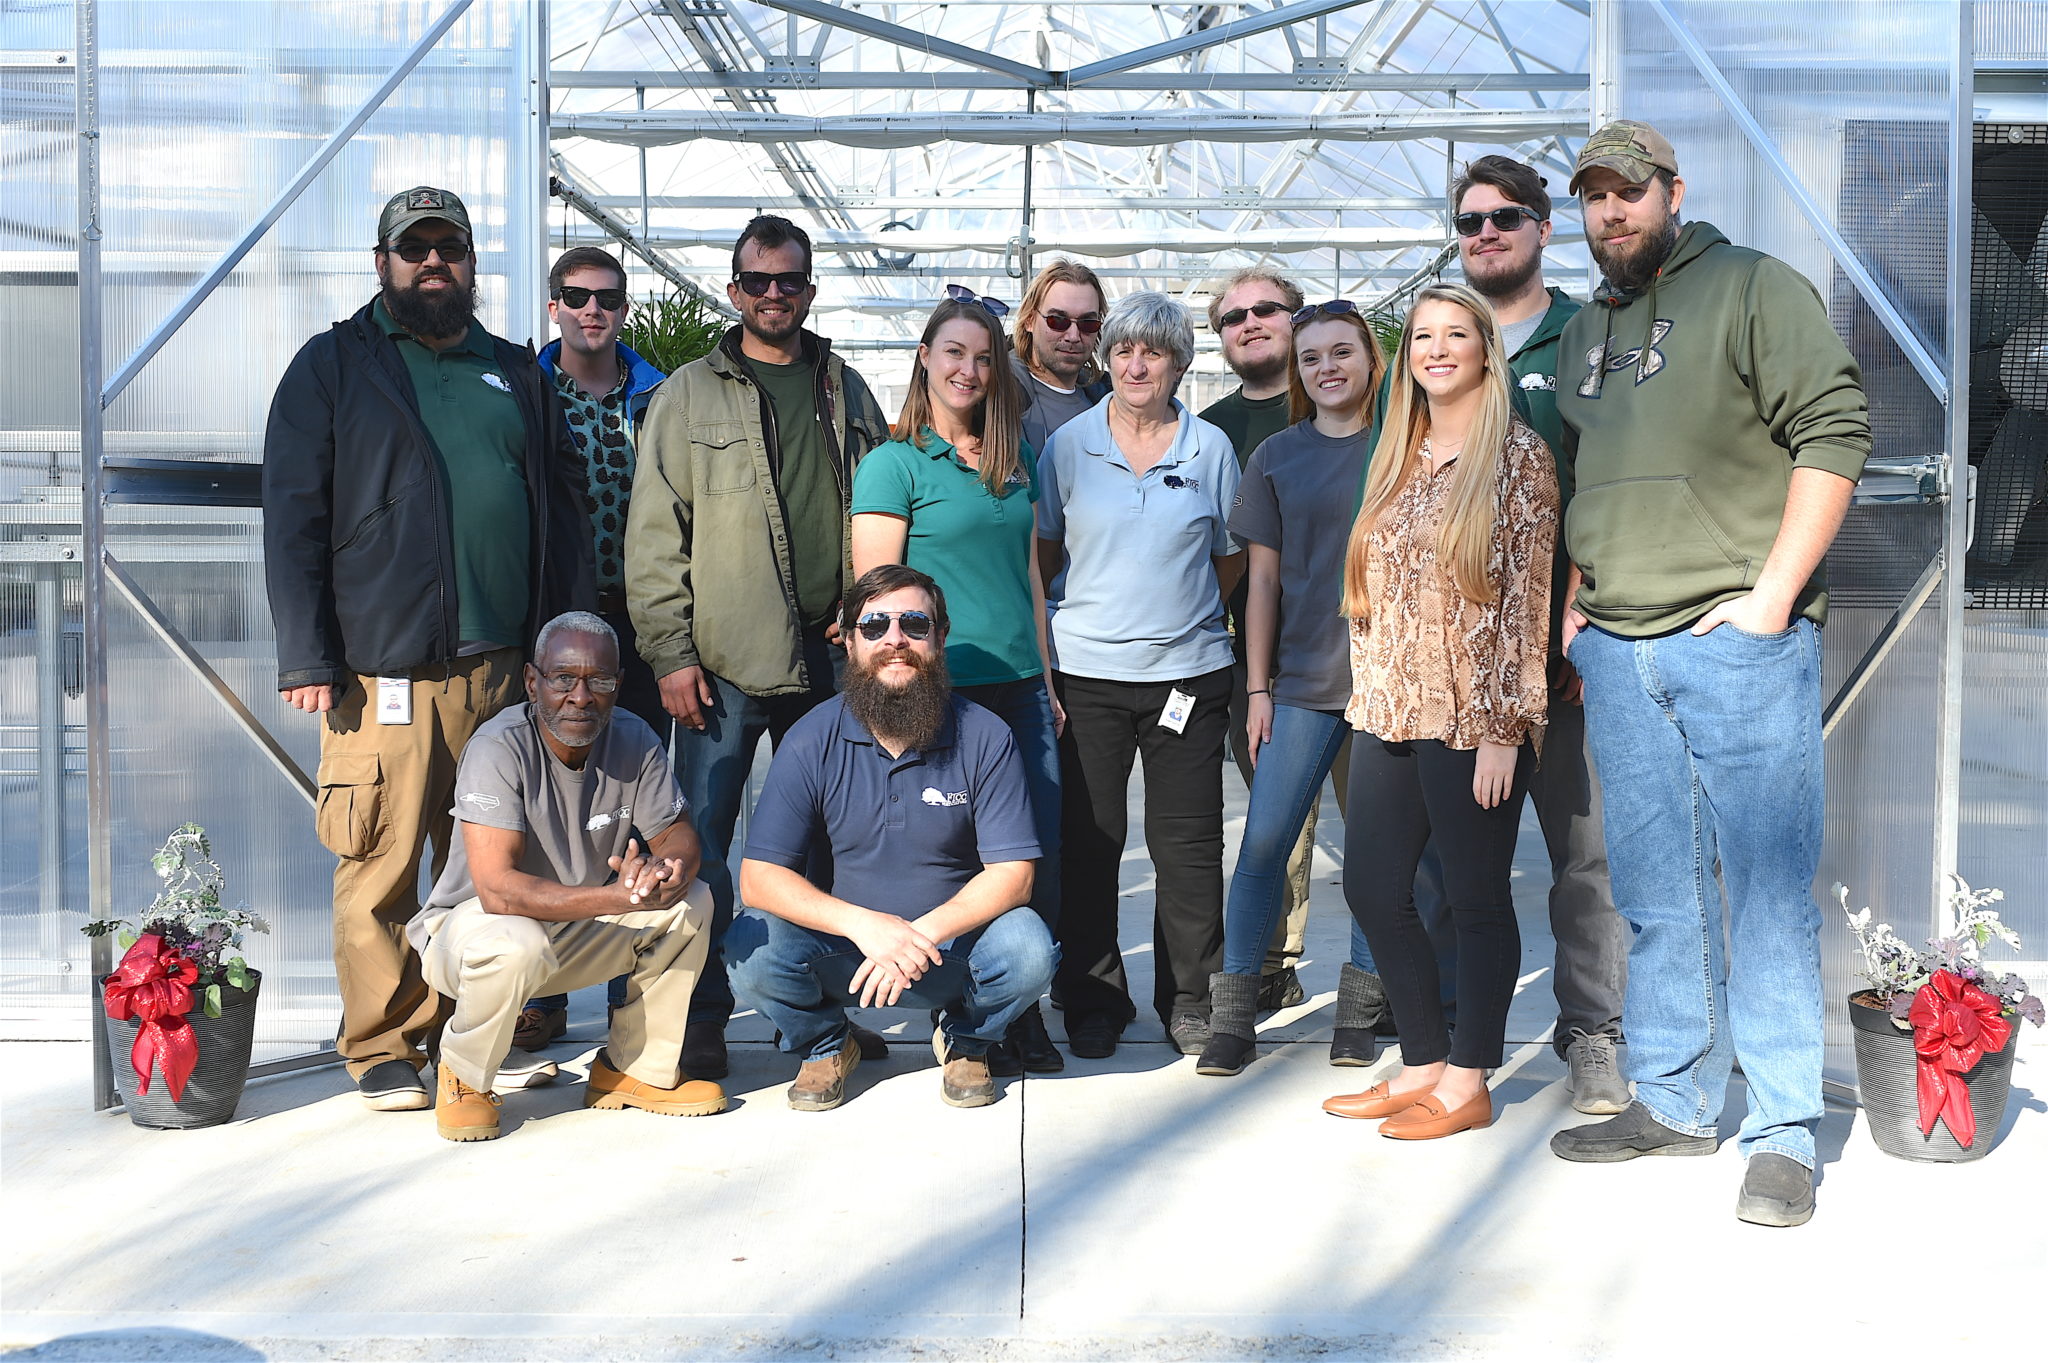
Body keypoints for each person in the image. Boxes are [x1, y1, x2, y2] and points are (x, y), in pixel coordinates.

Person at [1547, 122, 1870, 1228]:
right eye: (1593, 196)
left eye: (1628, 191)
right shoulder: (1583, 331)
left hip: (1734, 640)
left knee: (1766, 896)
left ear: (1671, 192)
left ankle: (1782, 1130)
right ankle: (1677, 1099)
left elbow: (1833, 430)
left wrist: (1772, 595)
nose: (1610, 212)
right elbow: (1590, 472)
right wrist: (1579, 600)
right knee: (1653, 894)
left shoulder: (1751, 288)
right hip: (1618, 648)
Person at [263, 185, 594, 1113]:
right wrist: (307, 654)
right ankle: (381, 1042)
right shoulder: (334, 366)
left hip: (505, 668)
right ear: (384, 264)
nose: (434, 262)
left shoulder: (515, 370)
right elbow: (292, 515)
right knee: (380, 857)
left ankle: (474, 1034)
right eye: (416, 249)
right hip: (382, 669)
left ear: (472, 261)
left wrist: (565, 642)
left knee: (491, 856)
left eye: (450, 246)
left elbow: (562, 511)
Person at [627, 214, 889, 1080]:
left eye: (789, 280)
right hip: (723, 665)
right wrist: (670, 653)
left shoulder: (847, 389)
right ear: (734, 289)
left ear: (809, 289)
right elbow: (655, 533)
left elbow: (881, 511)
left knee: (828, 841)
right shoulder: (688, 394)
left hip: (831, 660)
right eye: (758, 280)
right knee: (699, 843)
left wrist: (866, 610)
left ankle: (813, 1012)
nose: (774, 294)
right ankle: (700, 1017)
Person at [1322, 282, 1557, 1141]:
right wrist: (1367, 694)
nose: (1437, 348)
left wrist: (1505, 730)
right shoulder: (1397, 454)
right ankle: (1421, 1060)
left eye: (1456, 333)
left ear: (1486, 350)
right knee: (1373, 885)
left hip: (1473, 715)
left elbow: (1528, 601)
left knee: (1474, 896)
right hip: (1389, 709)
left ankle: (1468, 1077)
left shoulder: (1520, 457)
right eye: (1423, 336)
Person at [1422, 154, 1630, 1115]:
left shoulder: (1587, 337)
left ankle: (1593, 1031)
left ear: (1545, 228)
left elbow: (1613, 478)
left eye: (1505, 217)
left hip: (1567, 652)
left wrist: (1584, 606)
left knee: (1585, 858)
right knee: (1451, 860)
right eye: (1470, 222)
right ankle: (1448, 1038)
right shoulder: (1433, 348)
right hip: (1457, 670)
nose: (1486, 234)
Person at [728, 566, 1055, 1111]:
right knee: (749, 949)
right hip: (845, 949)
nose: (895, 640)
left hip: (950, 950)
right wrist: (866, 927)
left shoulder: (985, 735)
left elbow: (1015, 876)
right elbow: (759, 879)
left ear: (940, 637)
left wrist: (916, 937)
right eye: (875, 625)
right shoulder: (811, 737)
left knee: (1028, 950)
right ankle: (826, 1043)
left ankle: (966, 1040)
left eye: (914, 624)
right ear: (849, 641)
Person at [850, 290, 1066, 1076]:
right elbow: (875, 596)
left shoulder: (1015, 462)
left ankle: (1018, 1010)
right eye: (954, 353)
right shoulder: (893, 463)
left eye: (983, 358)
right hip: (942, 692)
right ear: (925, 358)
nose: (968, 370)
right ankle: (957, 1008)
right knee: (951, 852)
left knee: (1032, 852)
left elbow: (1029, 580)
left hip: (1019, 687)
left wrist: (1047, 679)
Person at [409, 612, 725, 1141]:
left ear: (617, 685)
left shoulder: (634, 737)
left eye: (598, 681)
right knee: (516, 941)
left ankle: (632, 1071)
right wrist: (616, 899)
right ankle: (463, 1076)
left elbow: (677, 833)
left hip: (572, 929)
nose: (580, 697)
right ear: (532, 682)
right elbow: (498, 890)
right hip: (471, 937)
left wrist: (668, 869)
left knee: (692, 900)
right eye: (562, 679)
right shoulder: (498, 747)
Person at [1037, 291, 1243, 1060]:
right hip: (1086, 675)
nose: (1135, 365)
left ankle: (1190, 999)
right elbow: (1045, 552)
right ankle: (1093, 996)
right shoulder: (1070, 446)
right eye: (1123, 349)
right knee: (1092, 843)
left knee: (1186, 846)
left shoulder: (1209, 449)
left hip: (1188, 677)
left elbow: (1228, 556)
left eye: (1152, 351)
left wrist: (1178, 614)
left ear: (1179, 364)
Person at [1199, 299, 1386, 1077]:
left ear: (1371, 359)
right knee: (1265, 843)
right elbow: (1263, 583)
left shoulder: (1402, 447)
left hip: (1389, 684)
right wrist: (1258, 688)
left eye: (1342, 352)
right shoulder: (1276, 455)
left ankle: (1361, 1010)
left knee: (1377, 854)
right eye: (1312, 357)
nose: (1327, 367)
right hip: (1303, 681)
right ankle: (1235, 1013)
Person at [517, 245, 669, 1052]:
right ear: (555, 306)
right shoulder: (528, 393)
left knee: (634, 805)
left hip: (640, 628)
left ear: (623, 308)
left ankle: (629, 989)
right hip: (557, 624)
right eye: (576, 297)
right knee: (550, 807)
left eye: (607, 298)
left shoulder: (657, 397)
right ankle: (544, 990)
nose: (592, 310)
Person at [1199, 269, 1325, 1014]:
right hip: (1249, 657)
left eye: (1265, 309)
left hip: (1351, 648)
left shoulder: (1342, 404)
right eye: (1232, 316)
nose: (1248, 323)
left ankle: (1392, 972)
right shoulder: (1208, 429)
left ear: (1295, 319)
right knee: (1279, 821)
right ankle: (1273, 962)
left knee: (1385, 822)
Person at [1011, 259, 1111, 457]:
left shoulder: (1109, 400)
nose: (1073, 336)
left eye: (1087, 323)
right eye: (1057, 321)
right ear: (1029, 320)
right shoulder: (997, 394)